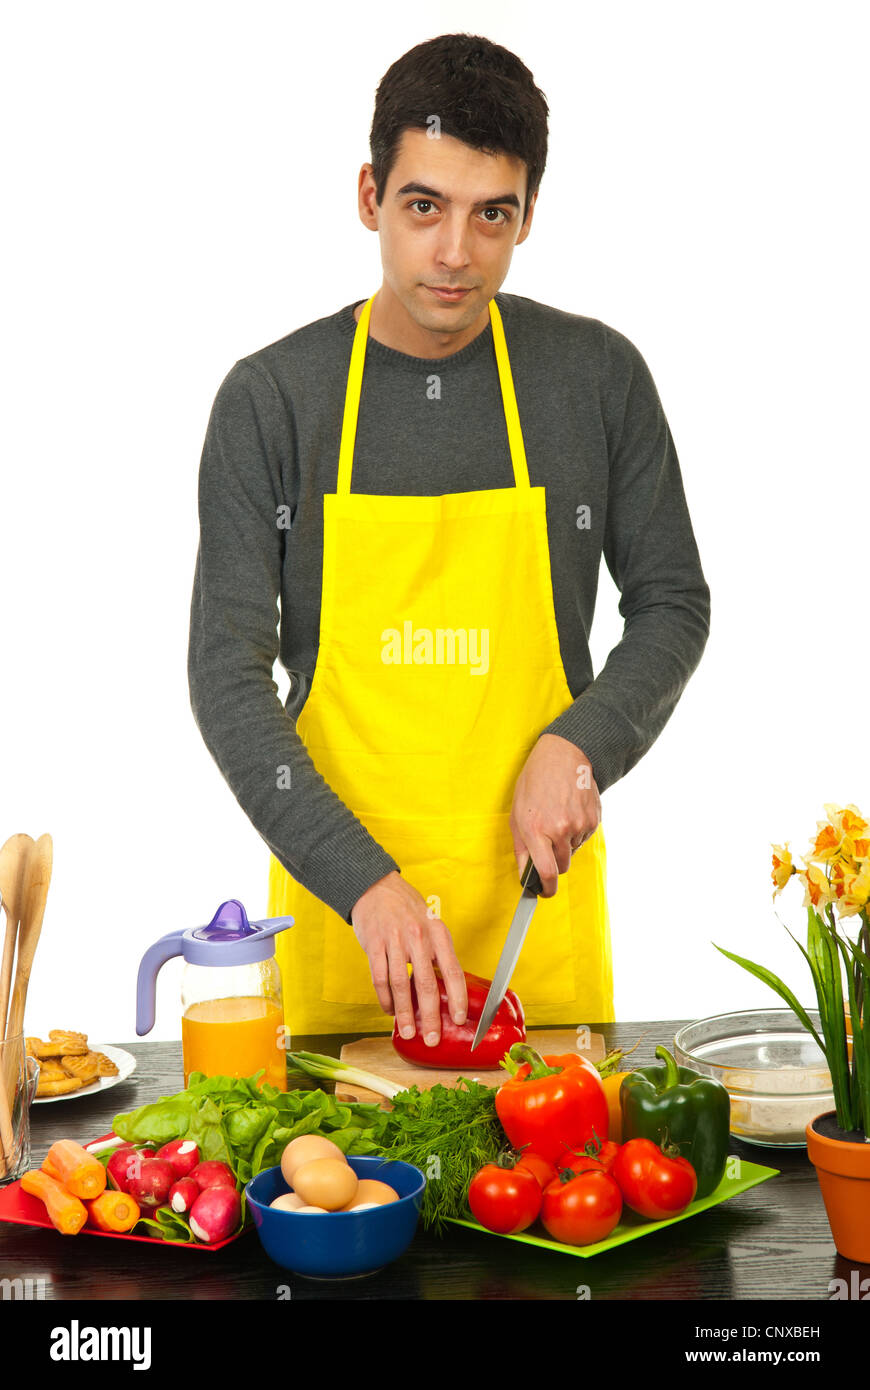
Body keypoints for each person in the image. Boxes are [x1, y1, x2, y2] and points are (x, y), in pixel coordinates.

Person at [187, 33, 710, 1049]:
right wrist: (364, 885)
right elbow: (226, 672)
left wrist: (582, 741)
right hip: (350, 936)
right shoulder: (273, 401)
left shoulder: (596, 380)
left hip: (537, 928)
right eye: (425, 205)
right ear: (369, 194)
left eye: (492, 214)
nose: (456, 252)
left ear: (527, 216)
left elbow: (674, 601)